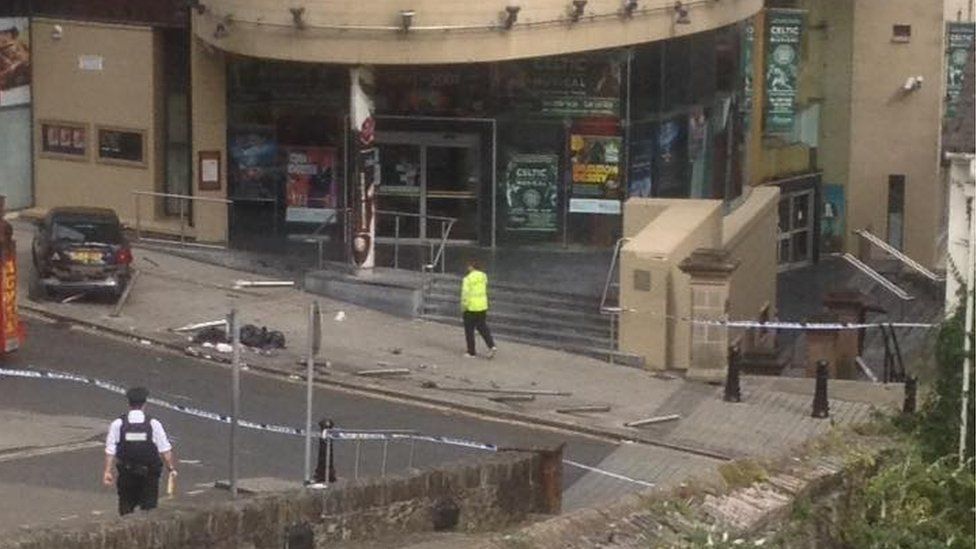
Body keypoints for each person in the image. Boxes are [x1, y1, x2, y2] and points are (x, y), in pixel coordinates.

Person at [102, 387, 177, 516]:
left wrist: (107, 471)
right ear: (144, 404)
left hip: (126, 472)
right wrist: (171, 468)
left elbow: (110, 450)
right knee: (149, 508)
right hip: (149, 473)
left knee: (126, 506)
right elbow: (165, 450)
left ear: (129, 404)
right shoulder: (153, 424)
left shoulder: (118, 424)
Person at [461, 260, 496, 358]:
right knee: (482, 327)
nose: (467, 268)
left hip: (471, 307)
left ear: (471, 267)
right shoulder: (484, 277)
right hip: (482, 306)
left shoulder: (467, 279)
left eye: (468, 266)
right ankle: (491, 345)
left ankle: (471, 351)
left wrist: (463, 307)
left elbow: (465, 295)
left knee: (469, 330)